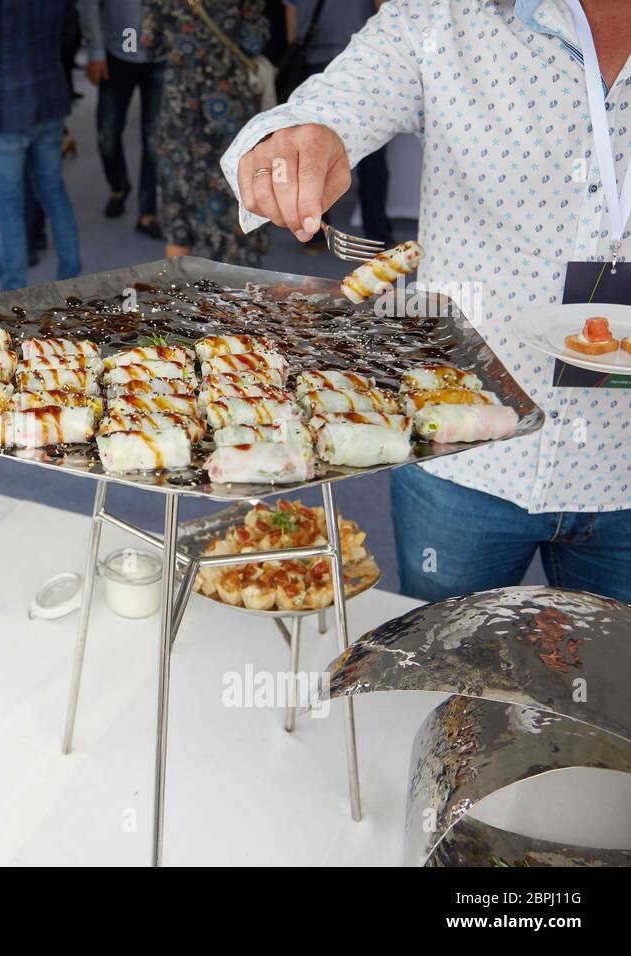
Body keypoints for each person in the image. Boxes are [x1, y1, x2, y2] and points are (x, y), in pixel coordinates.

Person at [223, 0, 631, 604]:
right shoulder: (446, 15)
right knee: (441, 676)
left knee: (613, 692)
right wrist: (292, 145)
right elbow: (330, 104)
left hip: (622, 462)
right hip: (463, 448)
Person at [0, 0, 81, 292]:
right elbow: (71, 34)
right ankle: (72, 280)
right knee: (53, 189)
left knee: (8, 204)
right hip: (49, 96)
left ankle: (14, 294)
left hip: (5, 107)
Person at [144, 0, 269, 265]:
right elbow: (255, 41)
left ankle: (176, 295)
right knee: (235, 200)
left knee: (178, 206)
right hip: (228, 107)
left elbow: (147, 43)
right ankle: (236, 299)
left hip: (180, 109)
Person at [283, 0, 391, 246]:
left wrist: (294, 47)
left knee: (312, 152)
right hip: (361, 62)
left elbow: (291, 15)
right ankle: (377, 234)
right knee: (372, 158)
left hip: (315, 61)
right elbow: (384, 9)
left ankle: (314, 233)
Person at [77, 0, 163, 238]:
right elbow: (89, 5)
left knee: (155, 138)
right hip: (116, 53)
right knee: (108, 134)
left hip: (162, 56)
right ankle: (118, 186)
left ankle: (148, 211)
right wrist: (95, 51)